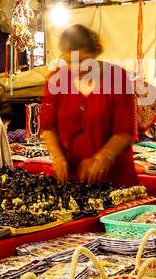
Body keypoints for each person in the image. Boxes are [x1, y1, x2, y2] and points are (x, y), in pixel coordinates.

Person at [40, 25, 138, 186]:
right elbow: (48, 127)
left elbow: (125, 132)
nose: (78, 67)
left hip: (114, 179)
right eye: (70, 61)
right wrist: (57, 156)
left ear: (95, 53)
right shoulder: (56, 79)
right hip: (71, 180)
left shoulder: (117, 78)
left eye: (84, 60)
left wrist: (103, 156)